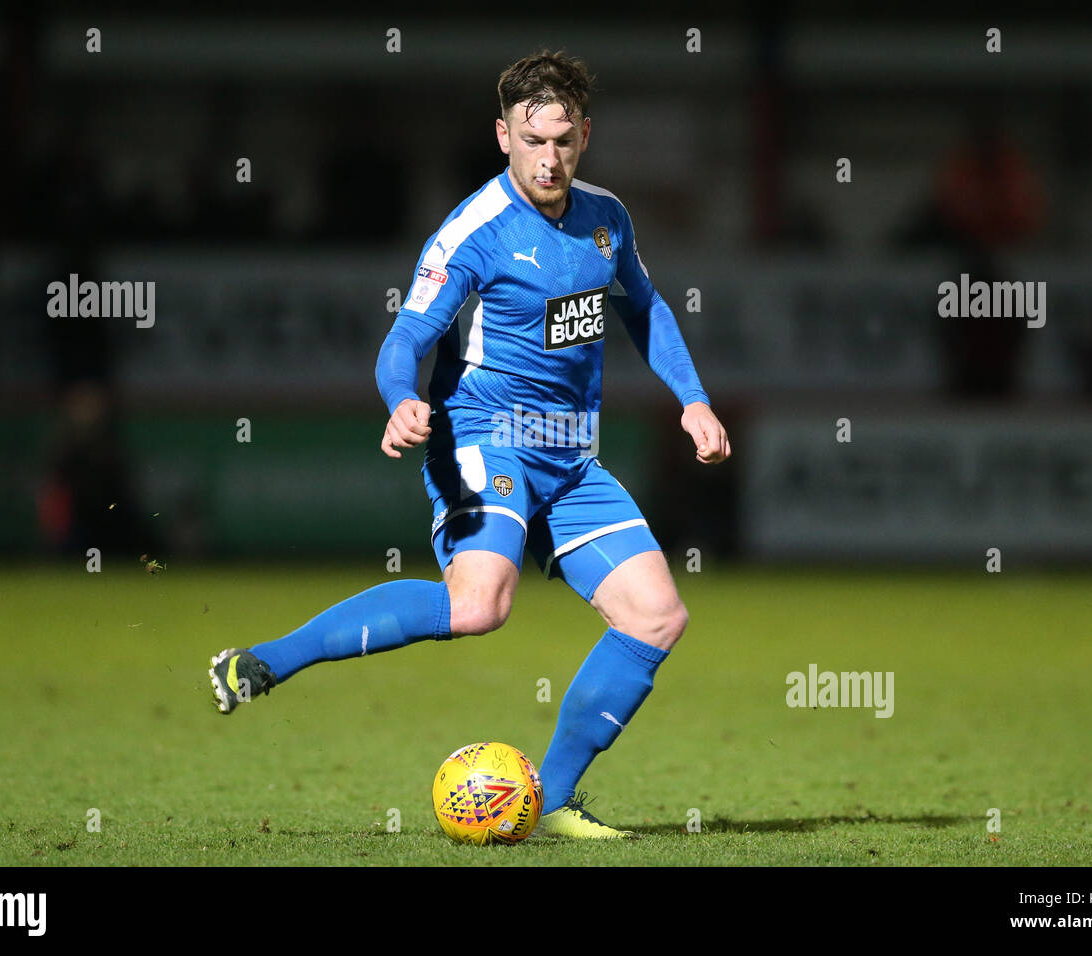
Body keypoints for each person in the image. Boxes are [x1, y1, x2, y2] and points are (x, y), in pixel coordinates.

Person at [208, 50, 730, 838]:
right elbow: (405, 336)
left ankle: (550, 801)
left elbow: (645, 309)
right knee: (480, 605)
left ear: (584, 135)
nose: (548, 157)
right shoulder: (473, 233)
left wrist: (692, 401)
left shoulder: (605, 218)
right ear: (502, 135)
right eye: (532, 139)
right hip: (482, 434)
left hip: (570, 451)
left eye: (562, 140)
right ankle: (268, 660)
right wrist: (400, 400)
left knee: (656, 616)